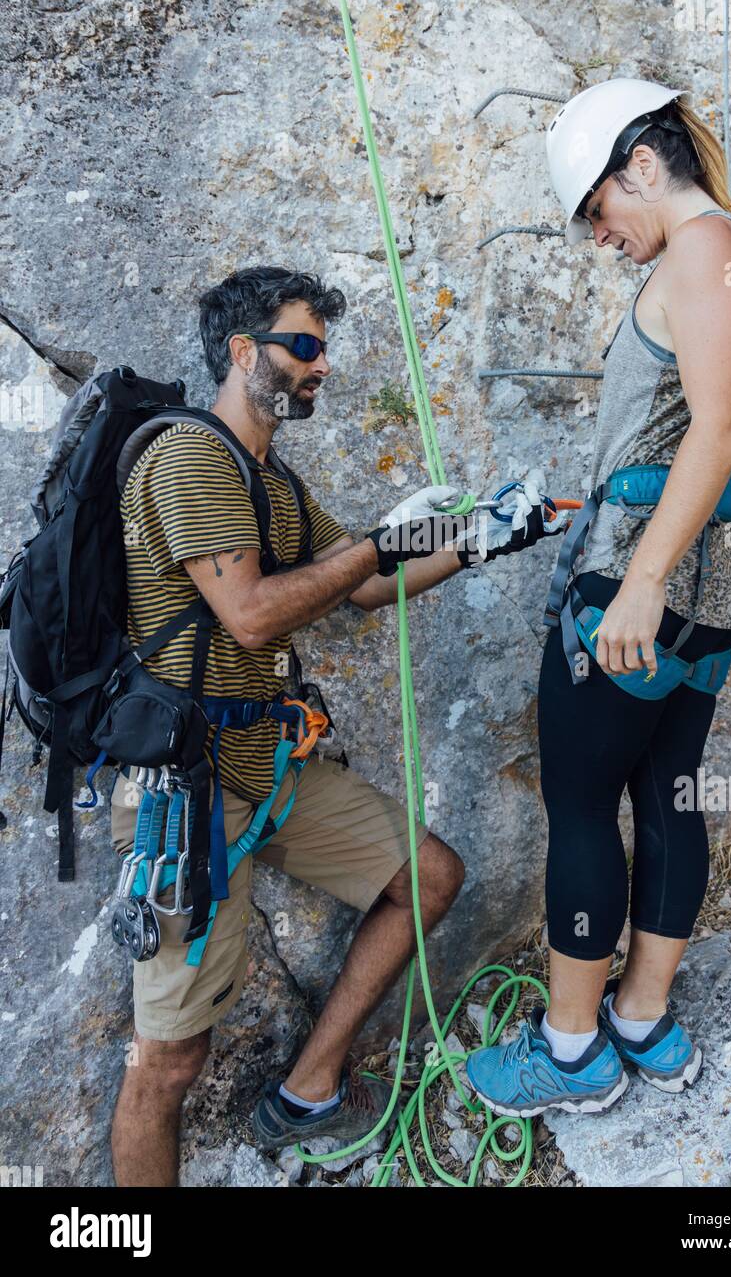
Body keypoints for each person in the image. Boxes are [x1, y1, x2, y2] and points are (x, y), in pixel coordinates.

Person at [110, 266, 553, 1185]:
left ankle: (308, 1089)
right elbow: (253, 615)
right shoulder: (191, 462)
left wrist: (483, 537)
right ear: (244, 351)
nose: (320, 367)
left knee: (428, 878)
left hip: (271, 763)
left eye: (323, 351)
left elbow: (361, 583)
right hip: (189, 793)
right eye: (303, 347)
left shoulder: (271, 481)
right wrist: (383, 541)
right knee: (168, 1062)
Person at [467, 77, 731, 1116]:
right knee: (670, 785)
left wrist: (639, 573)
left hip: (648, 567)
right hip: (719, 555)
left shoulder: (701, 246)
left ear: (638, 164)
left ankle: (568, 1053)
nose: (601, 238)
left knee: (577, 802)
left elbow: (718, 426)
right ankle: (641, 1020)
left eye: (598, 213)